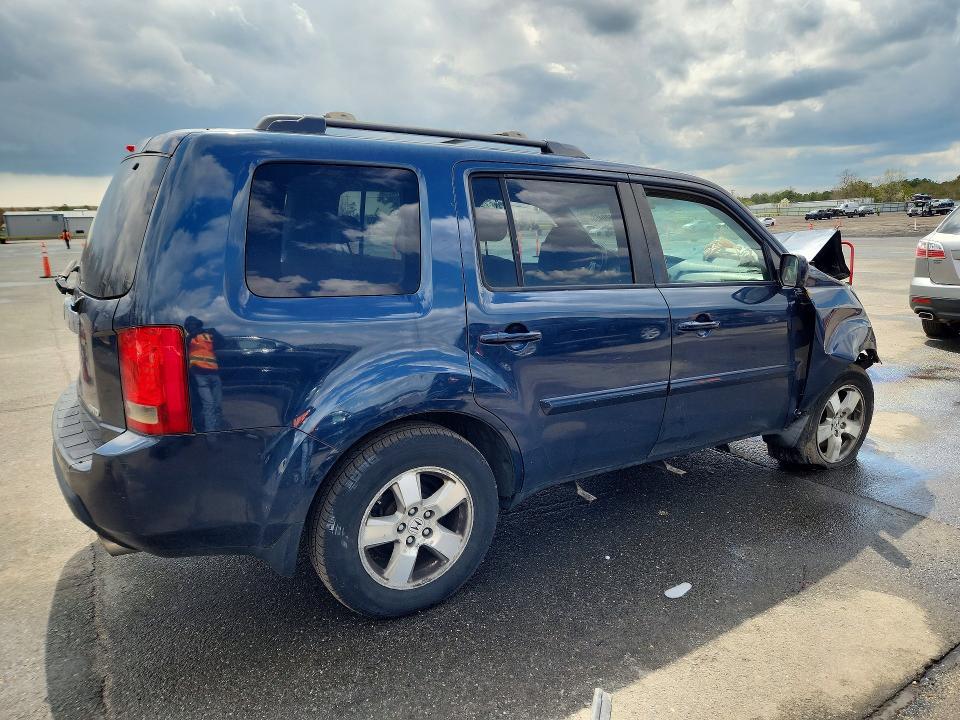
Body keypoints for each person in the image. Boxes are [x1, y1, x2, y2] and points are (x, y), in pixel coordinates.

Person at [184, 316, 225, 431]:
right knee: (210, 406)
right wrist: (207, 332)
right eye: (190, 326)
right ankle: (212, 438)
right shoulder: (189, 339)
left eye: (192, 325)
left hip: (213, 375)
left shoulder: (209, 335)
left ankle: (219, 430)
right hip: (201, 377)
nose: (191, 327)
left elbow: (222, 343)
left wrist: (214, 333)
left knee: (216, 406)